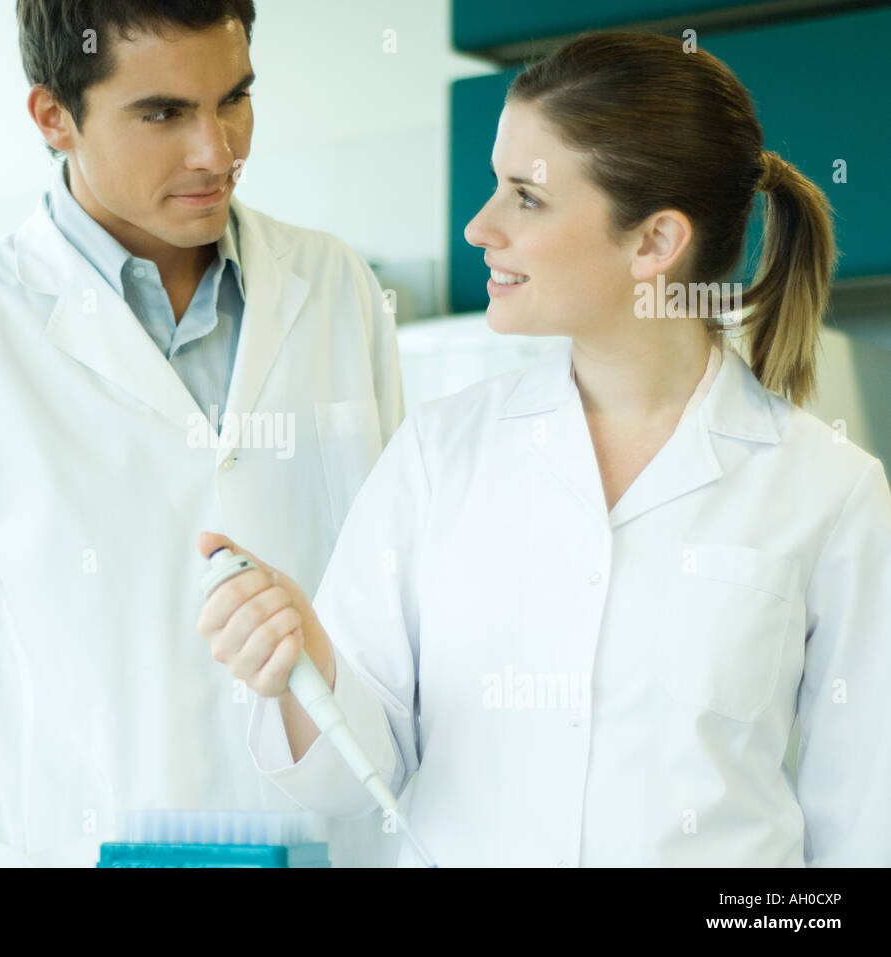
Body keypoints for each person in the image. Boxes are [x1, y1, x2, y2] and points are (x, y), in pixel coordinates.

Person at [197, 30, 891, 866]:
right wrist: (303, 662)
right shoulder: (438, 453)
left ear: (654, 244)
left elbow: (864, 820)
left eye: (526, 196)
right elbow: (357, 776)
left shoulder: (829, 487)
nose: (480, 224)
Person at [0, 0, 404, 867]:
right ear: (54, 116)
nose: (217, 151)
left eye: (233, 98)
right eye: (163, 113)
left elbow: (388, 605)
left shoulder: (336, 285)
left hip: (327, 842)